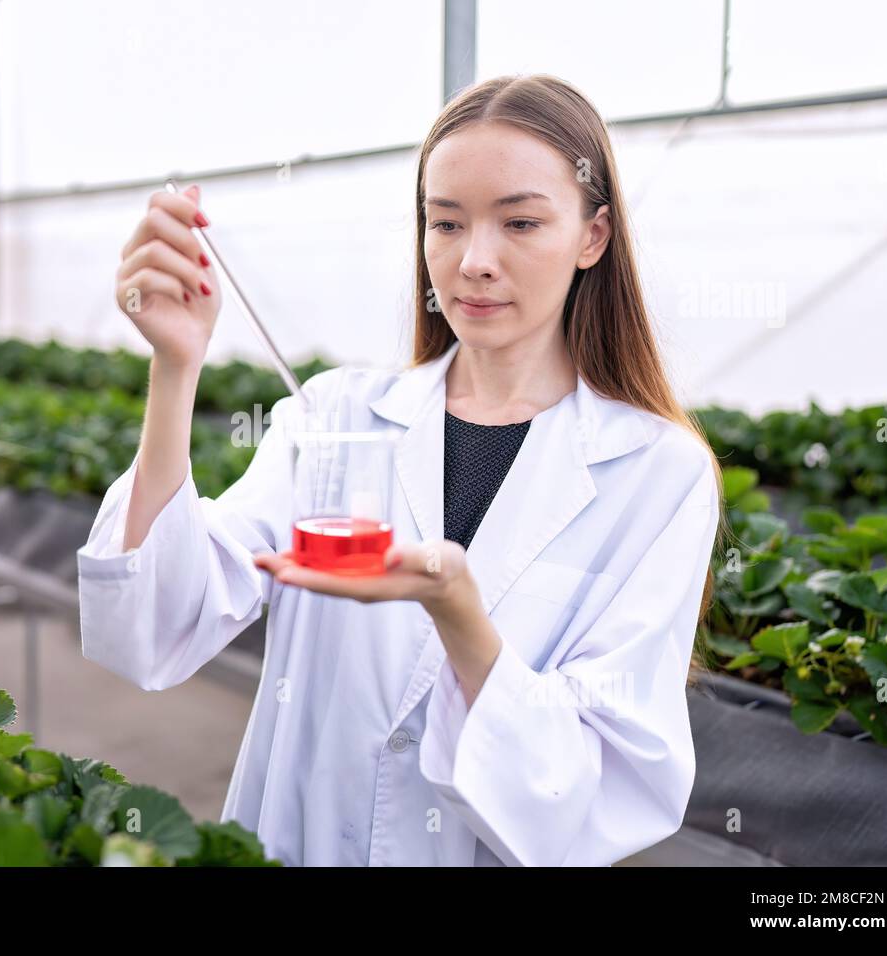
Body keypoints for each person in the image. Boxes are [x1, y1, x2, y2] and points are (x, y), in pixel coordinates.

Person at [77, 74, 725, 867]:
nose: (475, 261)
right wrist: (175, 371)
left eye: (520, 222)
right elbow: (153, 625)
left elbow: (607, 786)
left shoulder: (658, 475)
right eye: (445, 223)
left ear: (593, 236)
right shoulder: (337, 419)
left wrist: (460, 617)